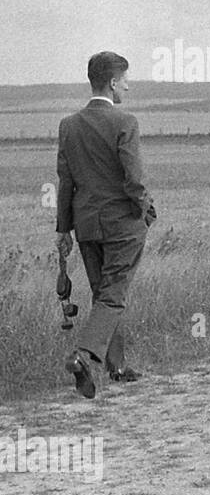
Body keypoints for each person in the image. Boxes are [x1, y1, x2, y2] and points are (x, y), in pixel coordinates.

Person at [56, 51, 156, 398]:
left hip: (86, 226)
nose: (127, 87)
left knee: (103, 295)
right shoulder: (125, 122)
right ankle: (84, 356)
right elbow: (134, 178)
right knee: (114, 296)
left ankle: (117, 366)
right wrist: (145, 209)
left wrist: (62, 230)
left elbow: (65, 182)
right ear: (113, 82)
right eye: (125, 80)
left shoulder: (68, 125)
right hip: (122, 224)